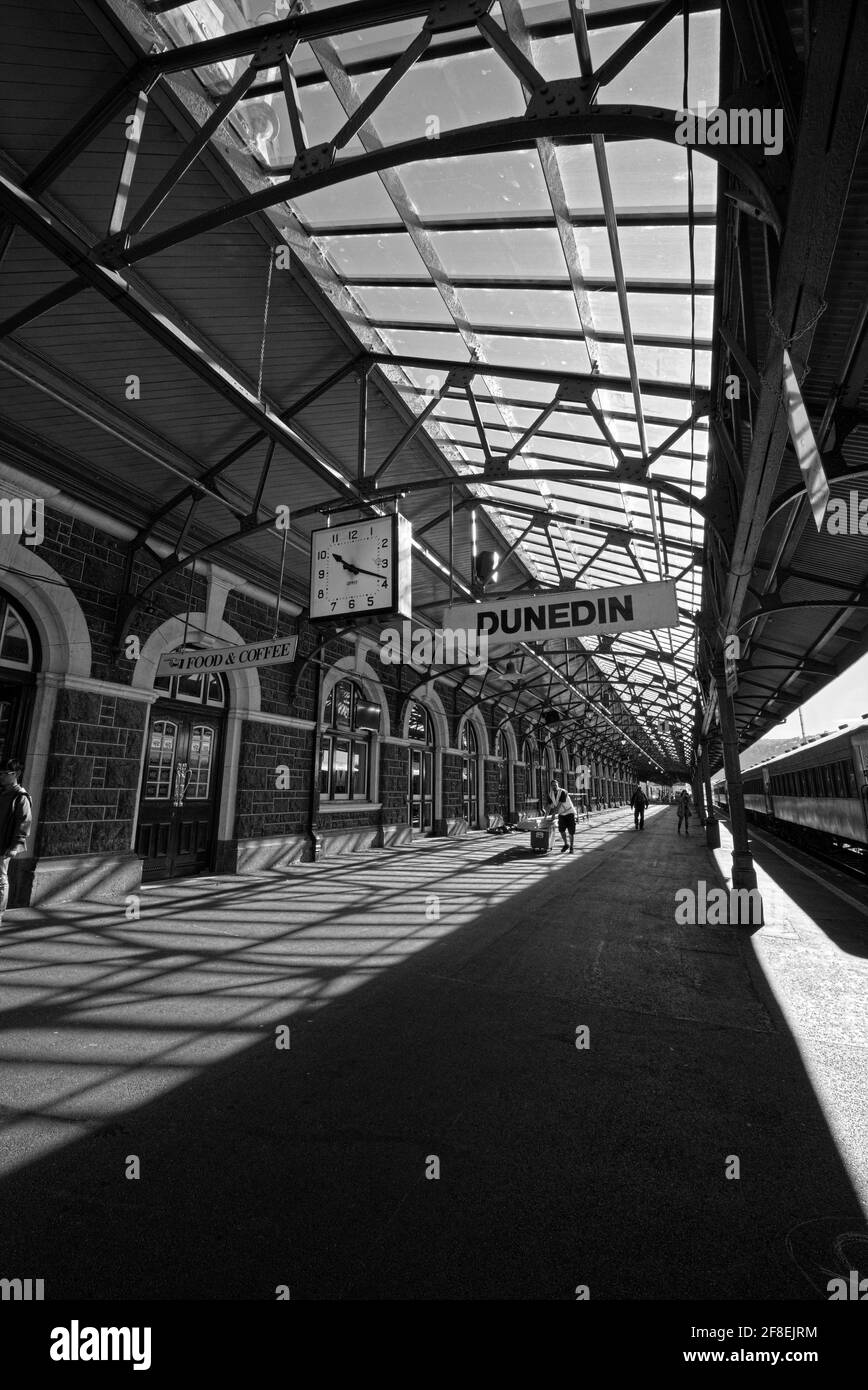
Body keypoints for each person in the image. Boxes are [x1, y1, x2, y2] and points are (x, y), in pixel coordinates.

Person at [0, 758, 32, 924]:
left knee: (0, 878)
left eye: (6, 773)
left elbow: (24, 822)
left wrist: (15, 845)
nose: (2, 776)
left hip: (4, 844)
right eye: (1, 773)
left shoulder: (21, 796)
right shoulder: (4, 792)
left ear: (17, 774)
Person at [547, 777, 576, 854]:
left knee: (571, 831)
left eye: (555, 785)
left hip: (569, 812)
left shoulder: (563, 792)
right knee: (561, 830)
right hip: (561, 814)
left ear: (558, 785)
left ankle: (572, 847)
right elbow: (549, 806)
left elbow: (559, 805)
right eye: (553, 785)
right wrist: (545, 816)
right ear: (551, 786)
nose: (554, 787)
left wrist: (553, 815)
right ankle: (566, 844)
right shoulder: (550, 794)